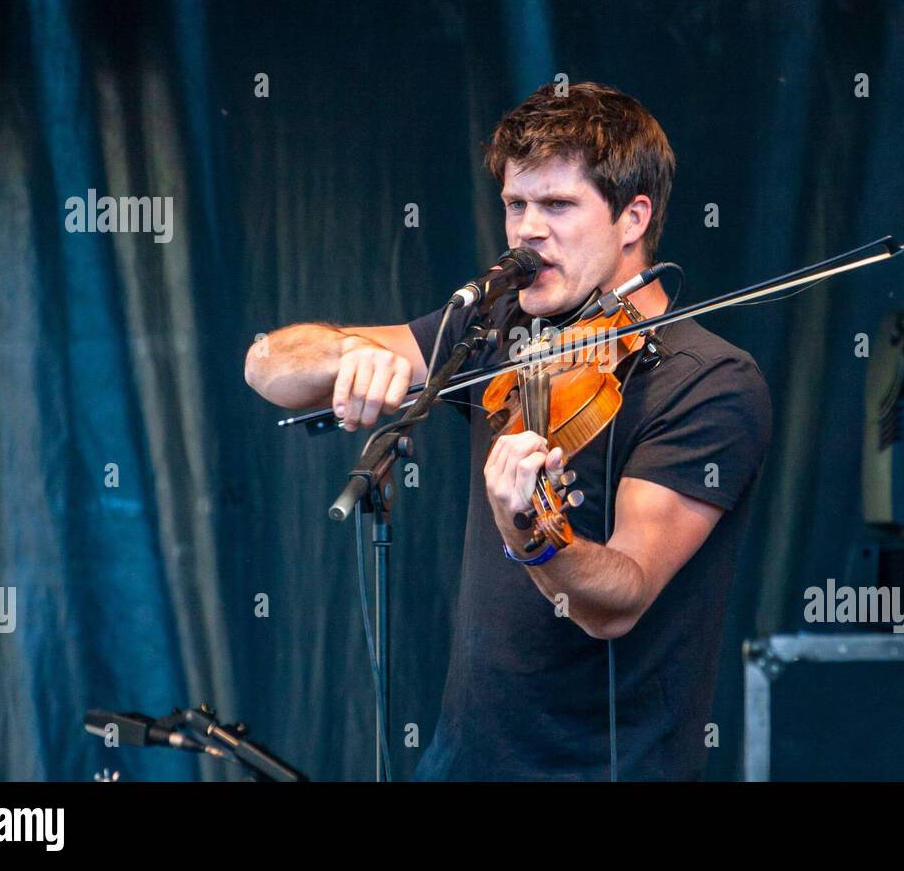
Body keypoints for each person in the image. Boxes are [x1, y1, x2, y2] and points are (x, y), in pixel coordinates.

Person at [245, 82, 773, 780]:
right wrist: (349, 356)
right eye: (515, 205)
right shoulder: (496, 326)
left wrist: (531, 530)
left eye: (557, 205)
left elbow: (619, 599)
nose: (527, 229)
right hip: (463, 764)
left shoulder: (710, 382)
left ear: (633, 218)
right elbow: (266, 365)